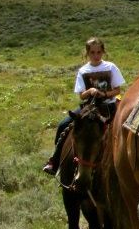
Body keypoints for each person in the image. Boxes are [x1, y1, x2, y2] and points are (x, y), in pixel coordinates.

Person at [43, 37, 125, 175]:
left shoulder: (110, 67)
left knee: (124, 127)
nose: (96, 55)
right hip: (89, 108)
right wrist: (90, 91)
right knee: (64, 124)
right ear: (87, 53)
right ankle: (54, 161)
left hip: (108, 107)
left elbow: (117, 91)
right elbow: (81, 95)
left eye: (98, 52)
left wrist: (104, 94)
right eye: (92, 52)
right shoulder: (83, 70)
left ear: (103, 52)